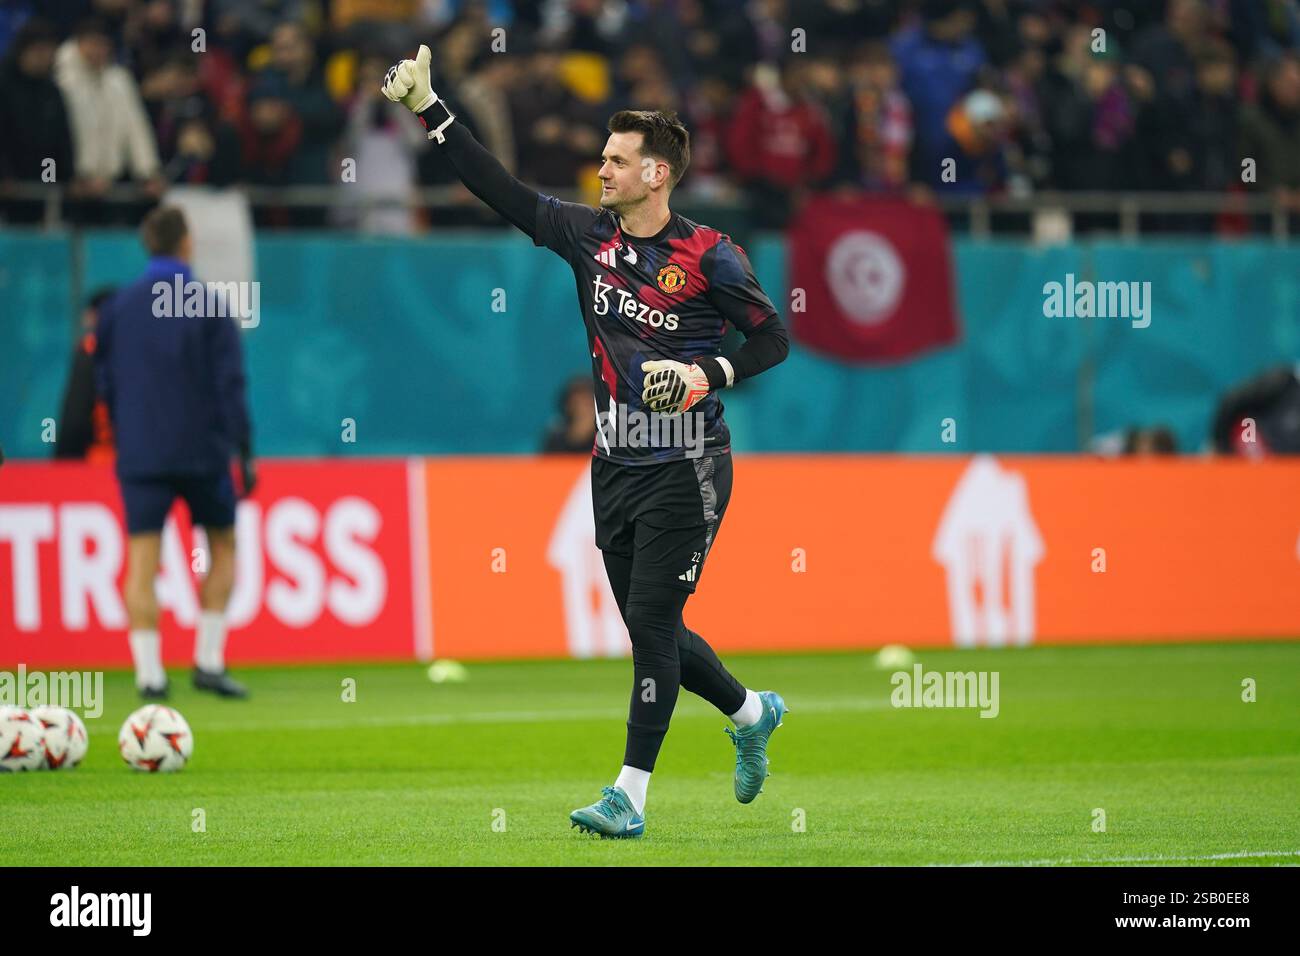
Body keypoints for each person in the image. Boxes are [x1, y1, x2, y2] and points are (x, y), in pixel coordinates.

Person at [381, 45, 791, 839]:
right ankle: (749, 712)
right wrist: (431, 109)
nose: (600, 169)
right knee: (656, 629)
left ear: (658, 174)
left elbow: (771, 338)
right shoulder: (583, 235)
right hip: (613, 466)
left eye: (616, 159)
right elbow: (497, 189)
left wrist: (709, 372)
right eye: (603, 157)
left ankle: (628, 796)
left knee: (648, 627)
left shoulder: (712, 254)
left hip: (689, 464)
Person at [94, 206, 254, 699]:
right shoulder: (208, 303)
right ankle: (208, 661)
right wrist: (244, 453)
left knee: (142, 561)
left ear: (149, 244)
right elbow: (230, 386)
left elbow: (104, 384)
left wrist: (128, 434)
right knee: (222, 546)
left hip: (142, 454)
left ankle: (149, 675)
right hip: (202, 451)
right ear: (186, 244)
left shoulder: (117, 308)